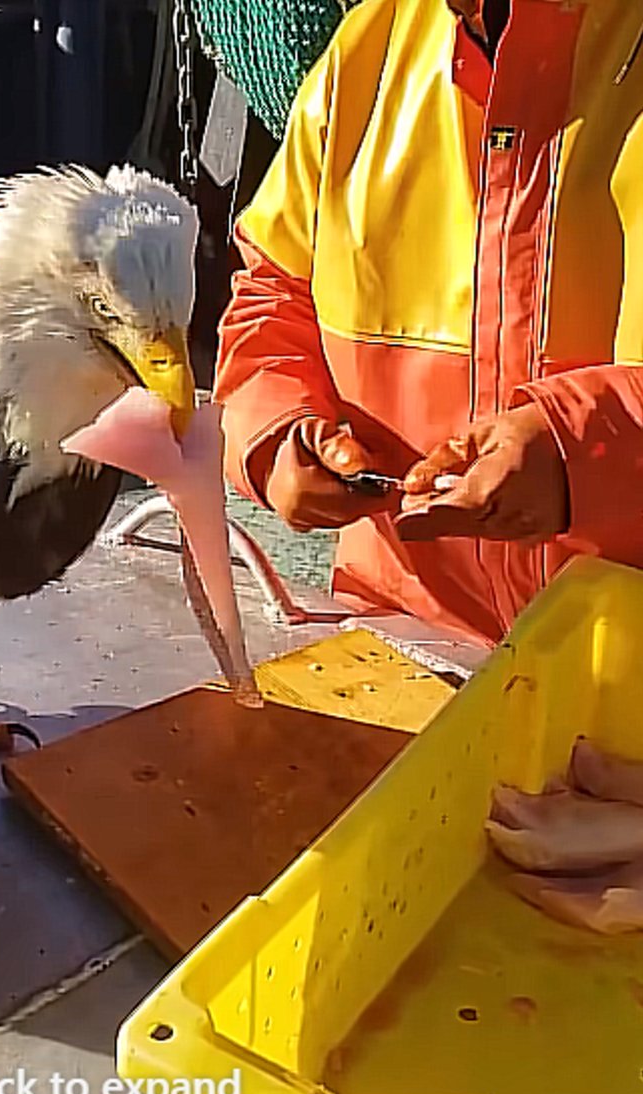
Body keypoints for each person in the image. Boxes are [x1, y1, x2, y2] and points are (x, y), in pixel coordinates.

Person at [213, 0, 643, 645]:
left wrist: (588, 453)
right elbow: (275, 294)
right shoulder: (370, 44)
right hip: (405, 652)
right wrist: (277, 435)